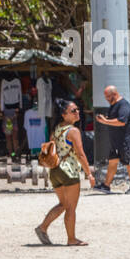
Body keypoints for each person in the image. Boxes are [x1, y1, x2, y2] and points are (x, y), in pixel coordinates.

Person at [35, 99, 95, 246]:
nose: (77, 112)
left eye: (77, 109)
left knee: (63, 204)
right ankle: (71, 239)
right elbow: (80, 154)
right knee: (71, 207)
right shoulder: (73, 131)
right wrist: (89, 173)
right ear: (64, 114)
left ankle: (42, 227)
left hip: (55, 170)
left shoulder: (56, 129)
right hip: (69, 171)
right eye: (73, 111)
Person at [95, 85, 130, 194]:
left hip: (127, 140)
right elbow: (114, 119)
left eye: (108, 96)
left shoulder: (123, 105)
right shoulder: (114, 105)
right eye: (105, 96)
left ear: (115, 94)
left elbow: (122, 121)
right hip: (117, 140)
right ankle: (106, 186)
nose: (106, 98)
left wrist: (104, 121)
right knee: (112, 162)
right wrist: (105, 119)